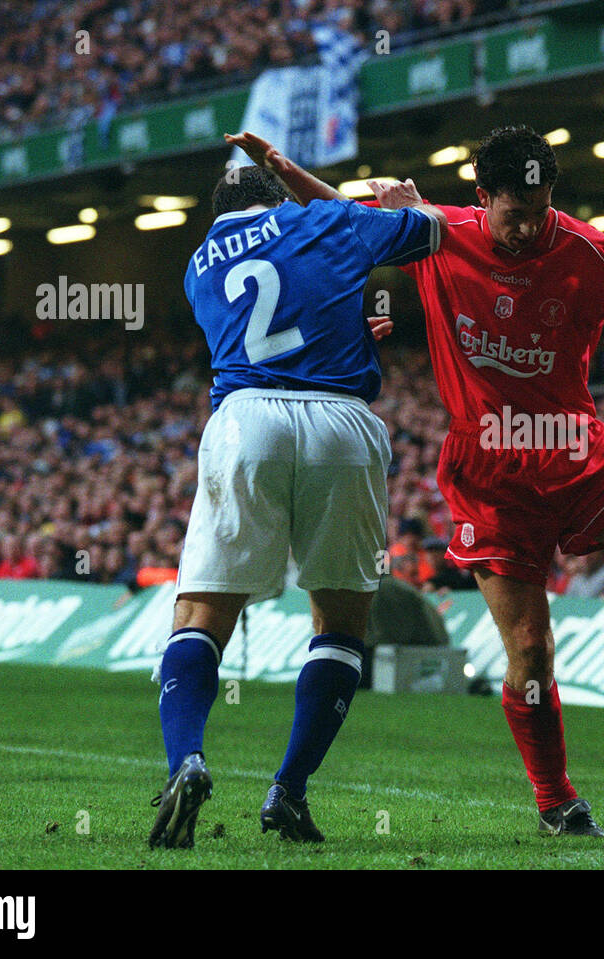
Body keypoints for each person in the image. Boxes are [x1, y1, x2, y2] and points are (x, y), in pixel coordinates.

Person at [229, 124, 604, 838]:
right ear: (481, 194)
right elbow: (340, 211)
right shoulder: (435, 234)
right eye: (514, 211)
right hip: (488, 473)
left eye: (541, 208)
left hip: (574, 447)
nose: (529, 226)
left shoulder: (585, 248)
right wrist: (281, 166)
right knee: (531, 648)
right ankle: (556, 799)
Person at [147, 149, 447, 849]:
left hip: (248, 418)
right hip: (341, 423)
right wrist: (405, 201)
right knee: (341, 621)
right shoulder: (329, 220)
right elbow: (431, 233)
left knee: (201, 612)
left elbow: (271, 321)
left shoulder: (199, 265)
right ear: (280, 195)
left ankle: (185, 760)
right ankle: (289, 789)